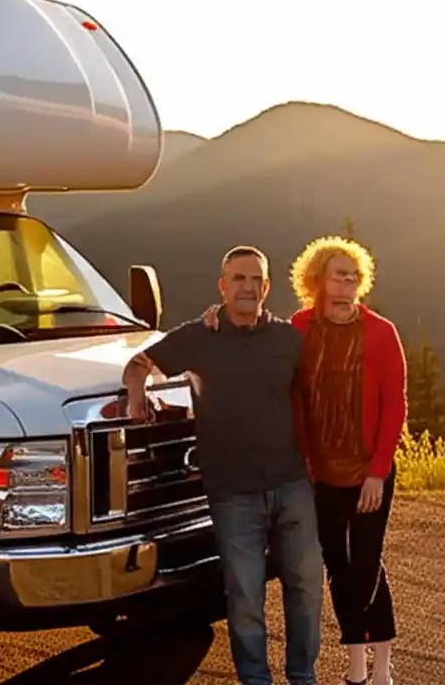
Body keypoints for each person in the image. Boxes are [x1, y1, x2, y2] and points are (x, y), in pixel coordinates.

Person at [202, 236, 407, 685]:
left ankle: (383, 668)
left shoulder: (381, 332)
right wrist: (214, 323)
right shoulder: (299, 328)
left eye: (353, 276)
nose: (347, 283)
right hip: (321, 474)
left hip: (370, 473)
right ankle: (356, 668)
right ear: (318, 282)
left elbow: (396, 406)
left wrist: (377, 471)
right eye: (339, 275)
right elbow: (258, 339)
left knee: (367, 564)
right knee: (337, 565)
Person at [122, 245, 324, 685]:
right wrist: (137, 393)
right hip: (232, 493)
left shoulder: (288, 340)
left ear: (267, 288)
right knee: (246, 596)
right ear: (222, 286)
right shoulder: (199, 336)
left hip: (292, 485)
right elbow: (138, 364)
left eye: (256, 280)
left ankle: (303, 677)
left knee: (306, 589)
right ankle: (256, 681)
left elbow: (317, 397)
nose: (247, 287)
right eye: (238, 279)